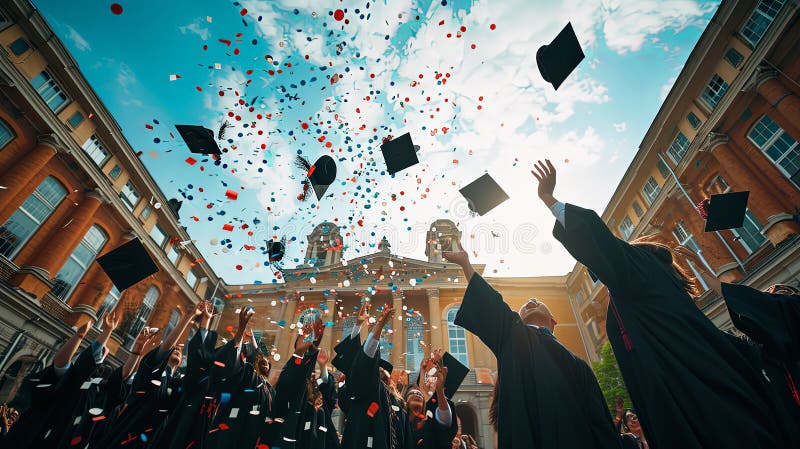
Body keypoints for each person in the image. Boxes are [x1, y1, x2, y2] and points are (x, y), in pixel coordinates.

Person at [532, 159, 792, 448]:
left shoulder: (640, 268)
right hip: (722, 399)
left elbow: (602, 243)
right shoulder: (666, 293)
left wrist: (549, 199)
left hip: (694, 401)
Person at [443, 245, 620, 448]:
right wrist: (466, 264)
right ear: (517, 319)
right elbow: (492, 304)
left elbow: (600, 423)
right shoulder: (512, 339)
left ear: (553, 321)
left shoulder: (579, 365)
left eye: (538, 301)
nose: (531, 300)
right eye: (523, 306)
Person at [674, 245, 800, 444]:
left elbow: (756, 302)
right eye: (769, 293)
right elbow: (722, 342)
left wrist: (701, 268)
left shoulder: (792, 308)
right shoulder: (760, 347)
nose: (773, 293)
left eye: (778, 292)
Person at [340, 306, 414, 449]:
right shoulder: (365, 389)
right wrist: (372, 327)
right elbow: (361, 362)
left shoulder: (397, 401)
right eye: (375, 368)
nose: (379, 370)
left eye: (382, 370)